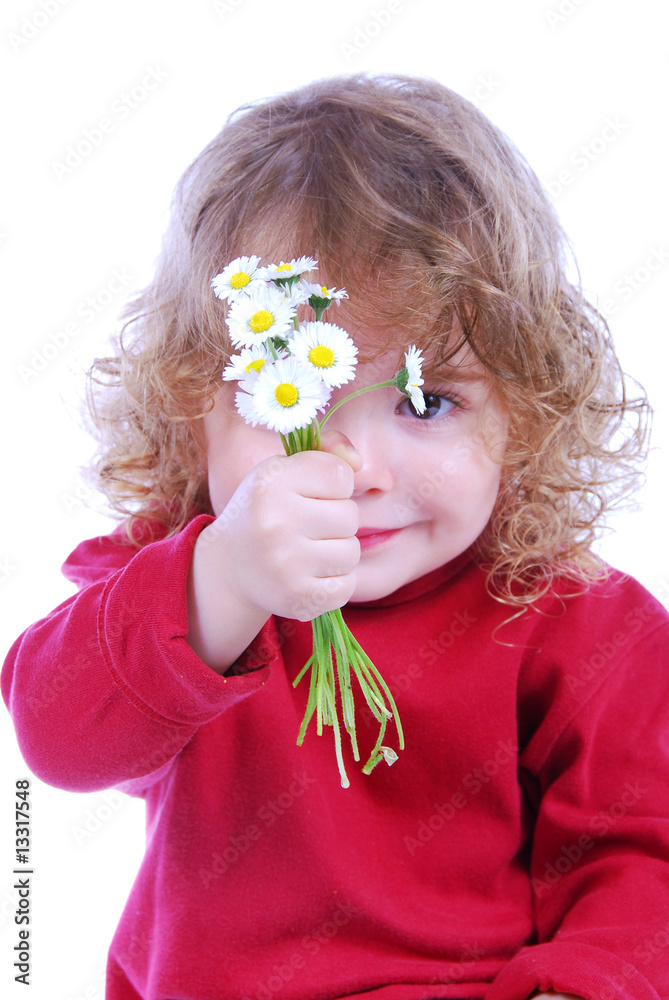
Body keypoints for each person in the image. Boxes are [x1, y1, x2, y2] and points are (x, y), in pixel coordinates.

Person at [2, 73, 668, 1000]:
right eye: (295, 395)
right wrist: (218, 586)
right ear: (196, 401)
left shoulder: (579, 621)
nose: (354, 466)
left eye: (426, 401)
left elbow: (645, 857)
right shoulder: (181, 588)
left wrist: (587, 984)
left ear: (526, 414)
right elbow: (59, 737)